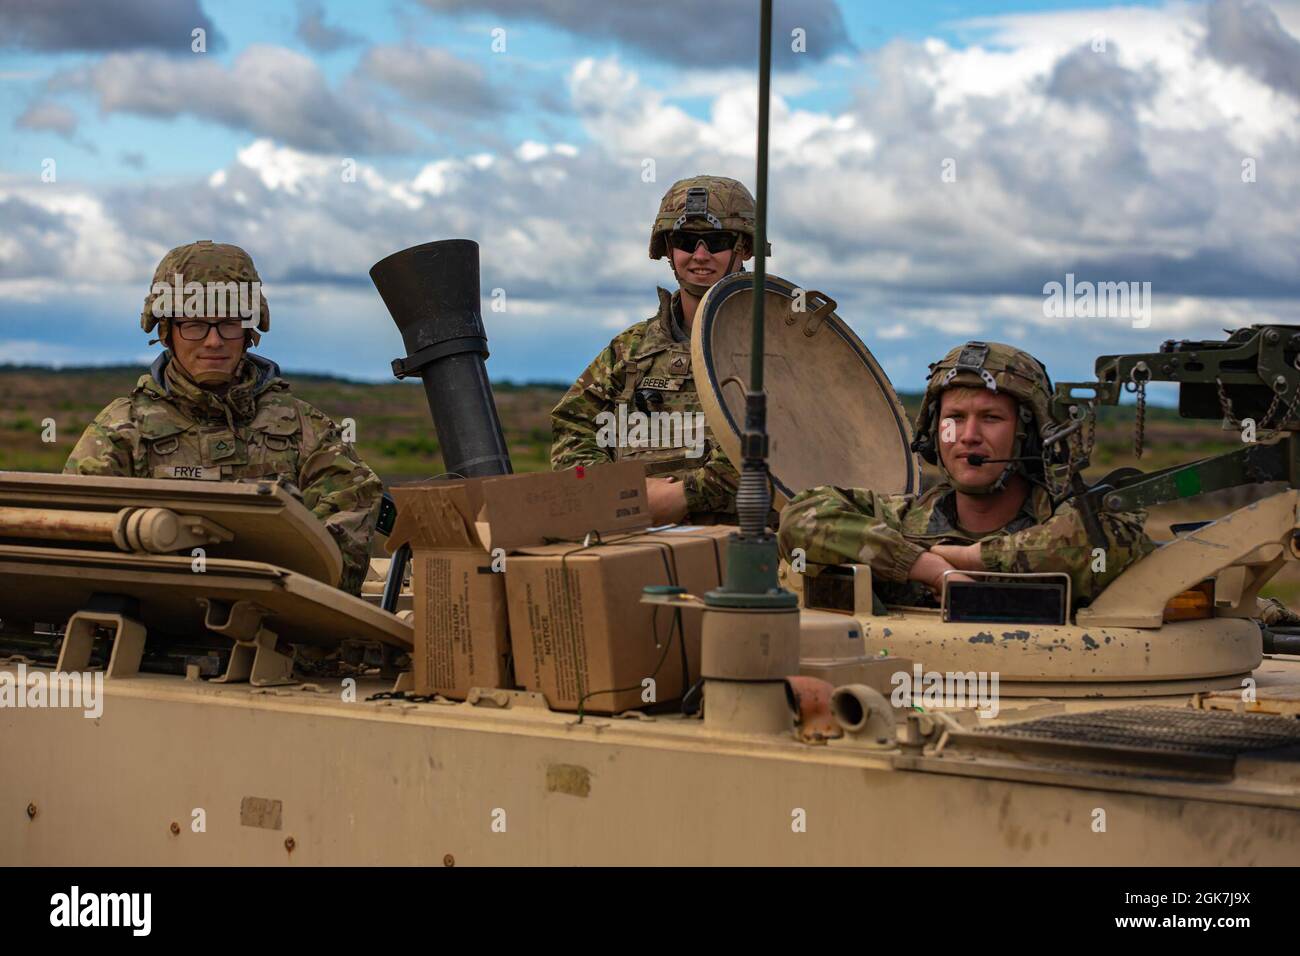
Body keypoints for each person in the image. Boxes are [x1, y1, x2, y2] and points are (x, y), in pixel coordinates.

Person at [63, 240, 382, 595]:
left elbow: (350, 514)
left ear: (249, 332)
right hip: (153, 628)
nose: (214, 341)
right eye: (195, 324)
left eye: (229, 324)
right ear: (166, 332)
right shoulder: (121, 430)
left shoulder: (304, 429)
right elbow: (79, 534)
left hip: (277, 623)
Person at [778, 341, 1155, 608]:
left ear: (1029, 434)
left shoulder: (1078, 520)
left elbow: (1104, 543)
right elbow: (800, 518)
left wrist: (973, 559)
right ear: (934, 430)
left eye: (991, 418)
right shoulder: (903, 519)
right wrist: (925, 567)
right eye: (954, 418)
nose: (969, 436)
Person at [550, 175, 768, 524]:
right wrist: (613, 492)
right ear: (668, 249)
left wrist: (685, 495)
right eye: (685, 241)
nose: (699, 255)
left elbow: (791, 453)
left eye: (716, 242)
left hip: (750, 550)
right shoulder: (631, 351)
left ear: (742, 248)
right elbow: (573, 425)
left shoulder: (777, 346)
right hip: (642, 546)